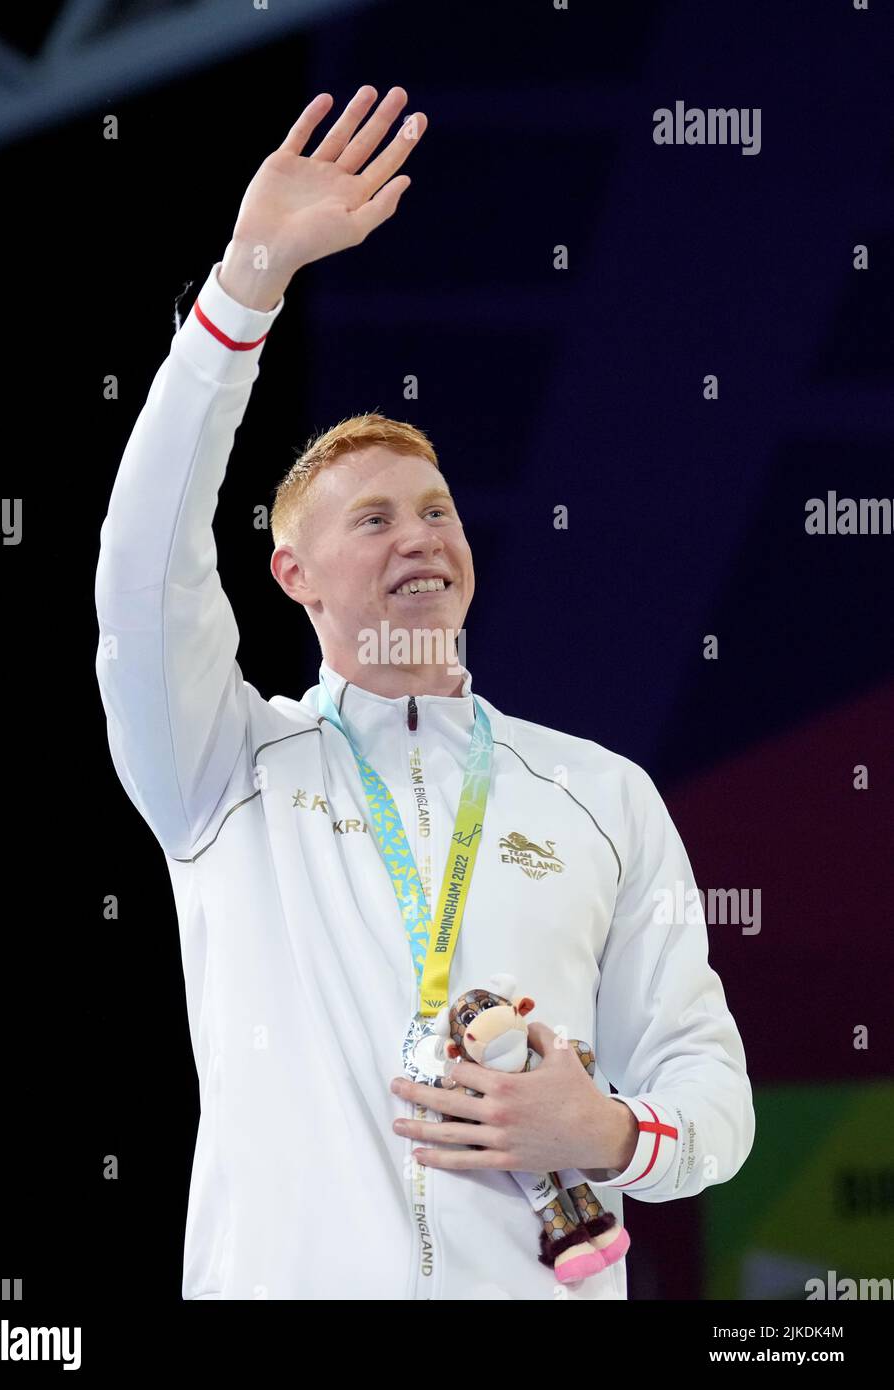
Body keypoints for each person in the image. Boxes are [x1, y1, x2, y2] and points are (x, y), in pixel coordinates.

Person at [94, 85, 755, 1301]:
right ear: (291, 572)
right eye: (375, 516)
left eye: (439, 510)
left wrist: (606, 1132)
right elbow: (141, 575)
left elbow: (710, 1090)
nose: (421, 536)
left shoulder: (600, 793)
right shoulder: (223, 771)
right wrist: (244, 289)